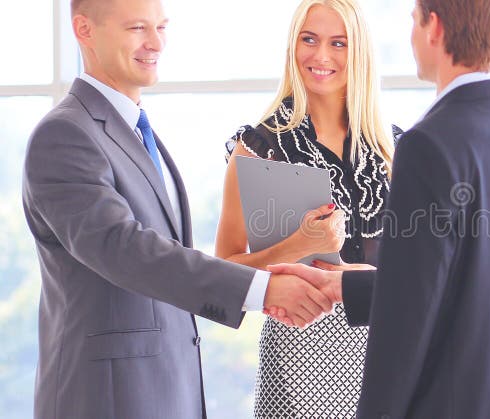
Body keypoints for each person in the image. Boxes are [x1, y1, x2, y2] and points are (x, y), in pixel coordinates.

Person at [21, 0, 331, 418]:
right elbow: (124, 249)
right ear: (84, 30)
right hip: (106, 399)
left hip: (164, 392)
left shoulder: (136, 132)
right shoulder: (64, 135)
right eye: (137, 28)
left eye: (161, 27)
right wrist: (260, 290)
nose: (155, 43)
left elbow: (165, 262)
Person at [268, 0, 490, 417]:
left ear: (433, 28)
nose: (412, 35)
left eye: (414, 21)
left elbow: (407, 317)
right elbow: (460, 284)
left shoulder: (427, 144)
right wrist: (343, 287)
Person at [215, 0, 394, 417]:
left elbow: (415, 269)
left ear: (360, 52)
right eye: (308, 39)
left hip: (382, 351)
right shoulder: (260, 148)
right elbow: (223, 269)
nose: (321, 56)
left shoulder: (392, 150)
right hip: (298, 360)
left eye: (339, 43)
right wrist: (298, 245)